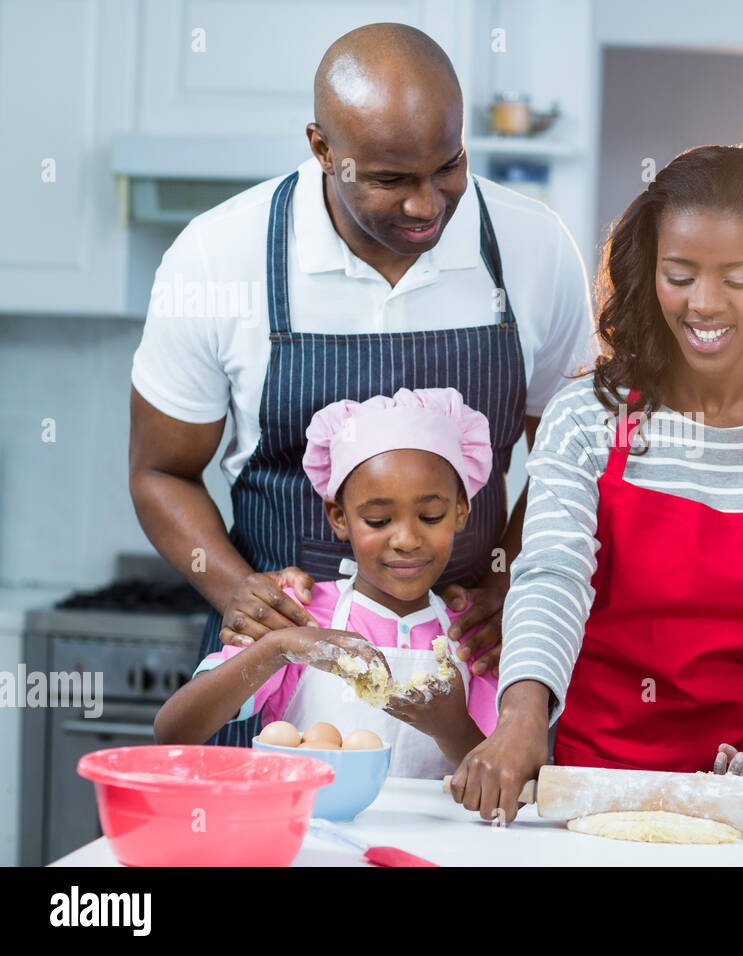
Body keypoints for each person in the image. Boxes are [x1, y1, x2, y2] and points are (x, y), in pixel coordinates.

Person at [128, 23, 593, 747]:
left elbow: (573, 464)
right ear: (322, 149)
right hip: (280, 675)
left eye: (449, 166)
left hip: (466, 678)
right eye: (391, 180)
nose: (427, 205)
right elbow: (160, 469)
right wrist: (234, 590)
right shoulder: (219, 257)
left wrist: (509, 581)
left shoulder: (533, 249)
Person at [450, 145, 743, 841]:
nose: (705, 304)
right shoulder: (585, 418)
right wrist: (520, 717)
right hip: (592, 786)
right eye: (679, 275)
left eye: (739, 278)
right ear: (647, 272)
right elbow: (551, 575)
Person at [155, 387, 498, 777]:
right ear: (338, 517)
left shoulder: (473, 632)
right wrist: (278, 647)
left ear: (459, 512)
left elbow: (504, 783)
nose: (406, 540)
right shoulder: (299, 614)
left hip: (432, 841)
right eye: (378, 521)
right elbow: (174, 729)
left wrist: (452, 730)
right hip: (308, 835)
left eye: (431, 516)